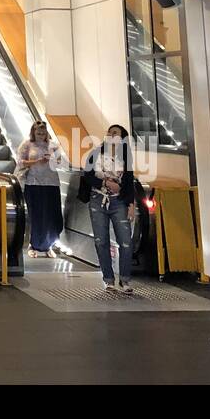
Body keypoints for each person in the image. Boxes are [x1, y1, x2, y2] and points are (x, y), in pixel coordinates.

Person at [78, 125, 137, 293]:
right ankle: (108, 279)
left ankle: (124, 280)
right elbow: (88, 176)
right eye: (109, 133)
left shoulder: (125, 158)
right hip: (98, 199)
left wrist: (131, 205)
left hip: (119, 201)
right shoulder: (96, 154)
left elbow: (129, 181)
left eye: (115, 133)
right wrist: (104, 183)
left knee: (125, 241)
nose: (111, 135)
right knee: (101, 240)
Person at [17, 120, 63, 257]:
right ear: (33, 132)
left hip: (51, 183)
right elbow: (20, 162)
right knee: (35, 215)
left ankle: (49, 244)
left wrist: (52, 159)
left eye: (43, 133)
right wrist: (37, 161)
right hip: (34, 183)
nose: (41, 135)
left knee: (51, 215)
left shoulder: (53, 145)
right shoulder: (27, 144)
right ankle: (33, 244)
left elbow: (60, 162)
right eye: (38, 133)